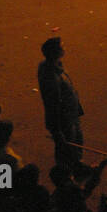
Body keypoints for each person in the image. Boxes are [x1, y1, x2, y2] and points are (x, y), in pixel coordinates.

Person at [37, 37, 85, 169]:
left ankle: (76, 165)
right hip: (64, 120)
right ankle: (66, 172)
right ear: (55, 52)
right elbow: (52, 104)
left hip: (71, 114)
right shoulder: (51, 77)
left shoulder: (55, 66)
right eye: (61, 46)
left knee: (76, 142)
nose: (64, 48)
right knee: (67, 148)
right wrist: (57, 130)